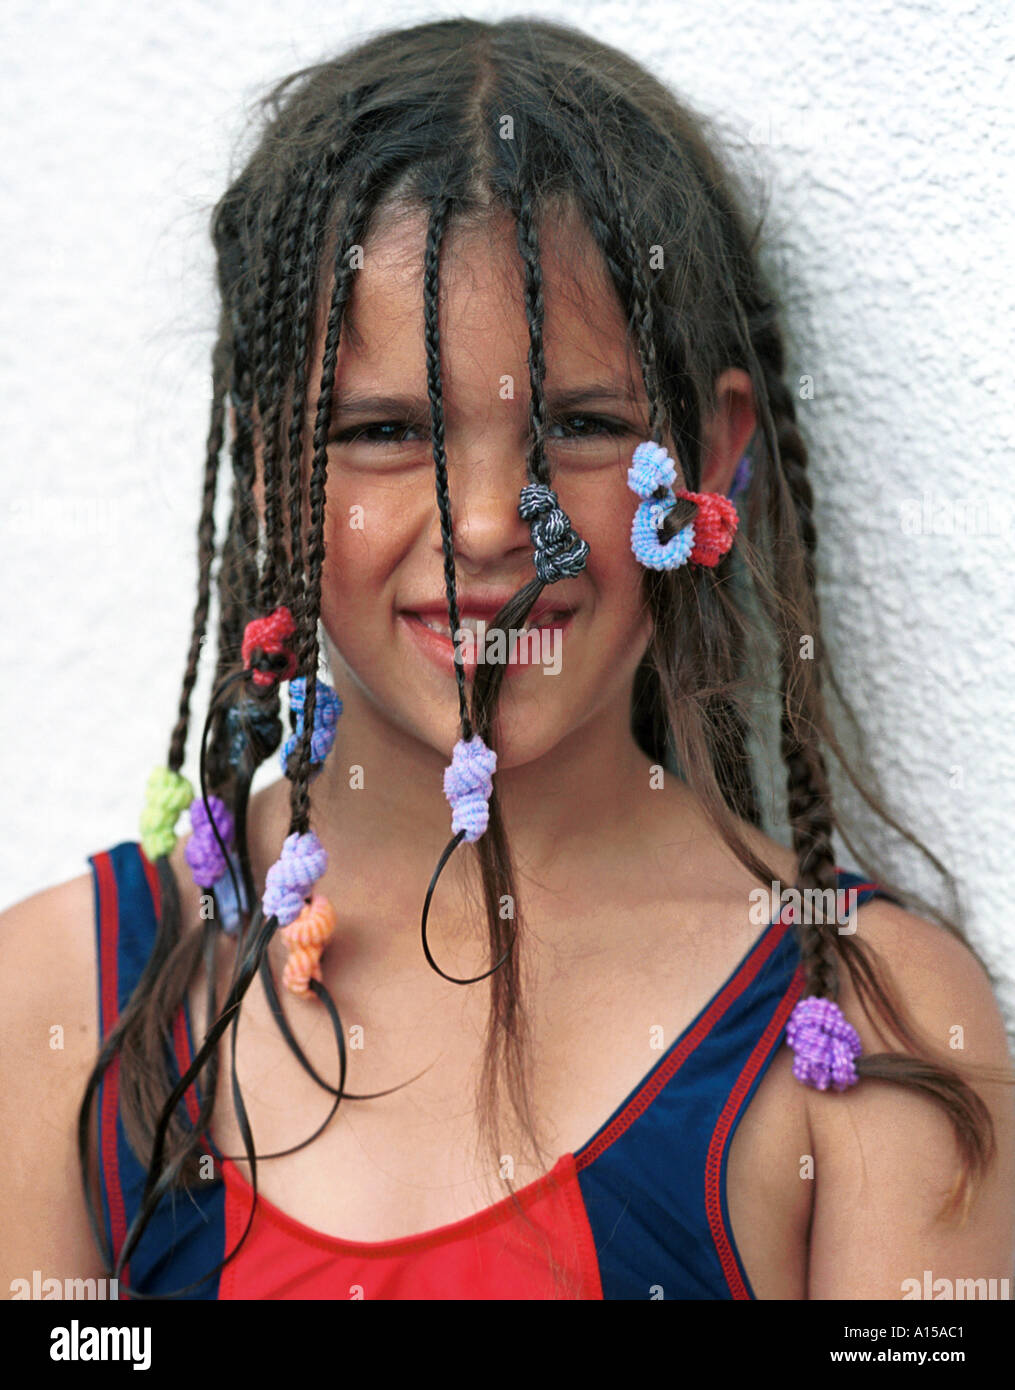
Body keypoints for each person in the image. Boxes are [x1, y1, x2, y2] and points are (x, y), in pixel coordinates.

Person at [2, 16, 1012, 1302]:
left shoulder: (867, 1026)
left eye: (583, 427)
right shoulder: (64, 1000)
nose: (487, 524)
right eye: (378, 430)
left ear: (707, 463)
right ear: (272, 472)